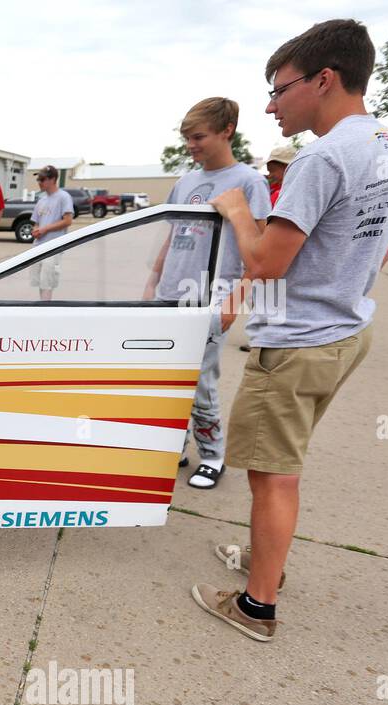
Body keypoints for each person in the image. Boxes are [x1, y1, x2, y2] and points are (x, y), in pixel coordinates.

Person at [193, 19, 388, 643]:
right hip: (347, 332)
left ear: (324, 79)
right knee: (282, 467)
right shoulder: (387, 146)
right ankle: (268, 563)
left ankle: (257, 606)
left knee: (272, 474)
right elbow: (382, 253)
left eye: (278, 88)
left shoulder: (321, 157)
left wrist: (237, 209)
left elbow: (265, 263)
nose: (270, 104)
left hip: (299, 342)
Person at [145, 97, 271, 491]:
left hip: (211, 298)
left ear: (225, 131)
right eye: (186, 138)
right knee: (167, 380)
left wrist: (238, 297)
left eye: (198, 136)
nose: (191, 145)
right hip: (171, 294)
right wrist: (153, 281)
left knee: (201, 381)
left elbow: (262, 248)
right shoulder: (185, 182)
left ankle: (213, 455)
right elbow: (172, 233)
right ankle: (174, 448)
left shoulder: (249, 182)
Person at [28, 164, 74, 301]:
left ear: (53, 179)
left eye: (42, 179)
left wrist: (45, 229)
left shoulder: (63, 197)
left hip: (53, 247)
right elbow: (36, 222)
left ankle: (44, 311)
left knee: (47, 282)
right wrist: (36, 230)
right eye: (38, 179)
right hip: (38, 246)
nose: (39, 183)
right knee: (39, 281)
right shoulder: (41, 200)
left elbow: (67, 220)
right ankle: (43, 308)